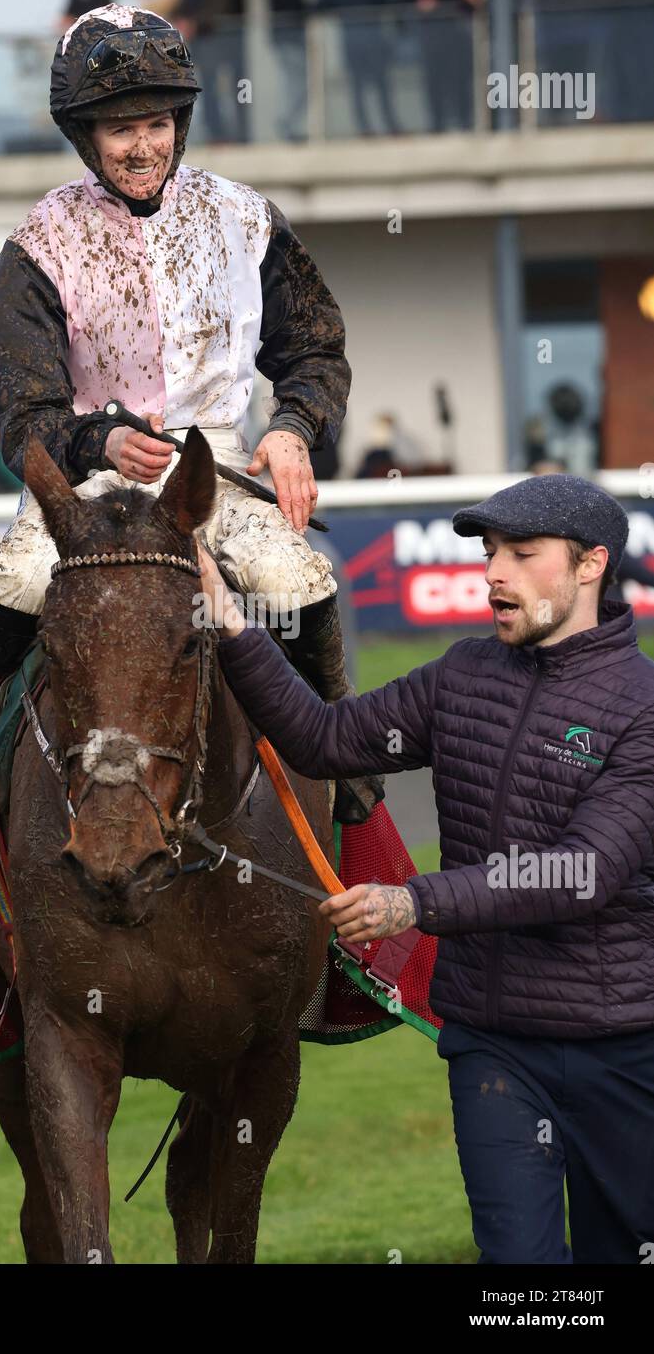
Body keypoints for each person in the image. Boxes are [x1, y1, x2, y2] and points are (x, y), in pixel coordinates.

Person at [0, 3, 384, 827]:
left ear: (178, 122)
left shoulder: (247, 218)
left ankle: (341, 744)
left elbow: (315, 350)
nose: (141, 146)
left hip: (215, 466)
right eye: (118, 130)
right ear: (85, 137)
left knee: (295, 578)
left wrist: (293, 429)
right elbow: (25, 417)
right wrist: (100, 437)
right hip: (87, 476)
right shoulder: (36, 244)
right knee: (19, 576)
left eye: (154, 123)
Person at [202, 472, 654, 1264]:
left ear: (589, 565)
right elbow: (324, 741)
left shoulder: (644, 706)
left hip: (624, 1050)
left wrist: (412, 903)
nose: (492, 574)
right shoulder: (460, 673)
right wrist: (235, 628)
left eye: (520, 553)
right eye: (488, 554)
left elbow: (580, 873)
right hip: (492, 1044)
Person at [316, 0, 402, 136]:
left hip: (366, 41)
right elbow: (384, 0)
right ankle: (375, 128)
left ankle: (379, 128)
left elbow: (320, 5)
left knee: (371, 87)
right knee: (369, 87)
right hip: (361, 42)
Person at [405, 0, 487, 132]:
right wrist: (420, 2)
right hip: (430, 35)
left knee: (459, 78)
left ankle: (465, 121)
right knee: (434, 81)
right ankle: (437, 124)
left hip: (456, 33)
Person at [173, 0, 231, 141]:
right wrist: (179, 22)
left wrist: (193, 24)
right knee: (198, 92)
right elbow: (179, 10)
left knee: (214, 91)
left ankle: (219, 135)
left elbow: (215, 14)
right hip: (193, 48)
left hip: (213, 47)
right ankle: (206, 134)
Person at [268, 0, 308, 142]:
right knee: (298, 86)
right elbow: (293, 7)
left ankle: (289, 125)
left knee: (298, 86)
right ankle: (287, 125)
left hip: (290, 41)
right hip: (289, 41)